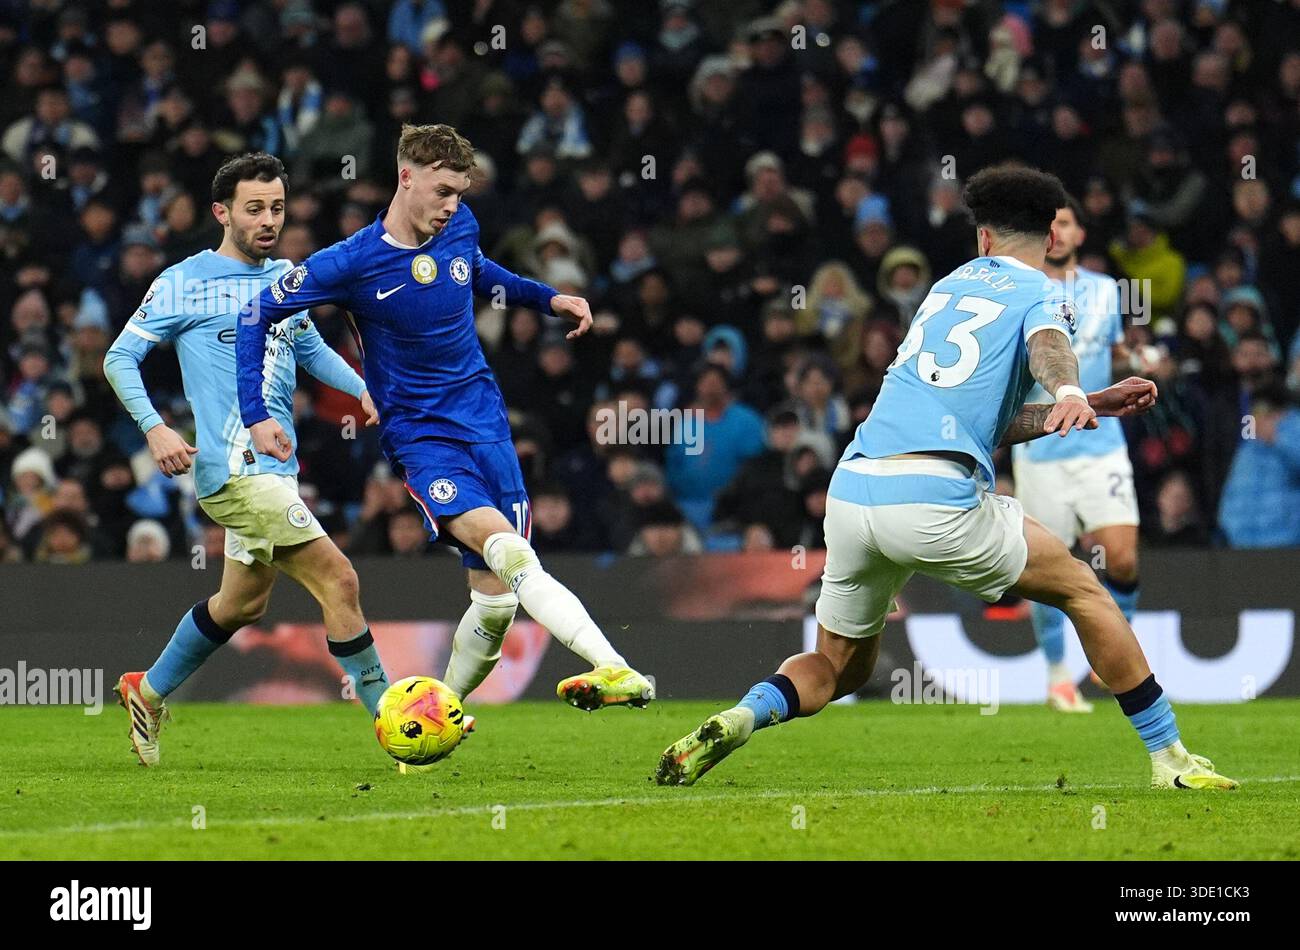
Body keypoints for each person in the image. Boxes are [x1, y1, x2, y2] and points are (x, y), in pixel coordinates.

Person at [656, 164, 1236, 792]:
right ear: (1049, 235)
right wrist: (1069, 386)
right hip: (936, 498)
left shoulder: (945, 289)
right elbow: (1049, 346)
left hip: (854, 490)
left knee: (837, 666)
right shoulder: (1043, 292)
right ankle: (1170, 758)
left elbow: (978, 418)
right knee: (1084, 592)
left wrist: (1088, 401)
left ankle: (743, 716)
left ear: (983, 238)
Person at [235, 124, 652, 724]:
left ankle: (438, 714)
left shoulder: (459, 227)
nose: (452, 205)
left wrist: (548, 298)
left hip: (488, 424)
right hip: (423, 437)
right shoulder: (351, 262)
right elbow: (256, 313)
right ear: (408, 177)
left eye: (460, 192)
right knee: (509, 550)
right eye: (443, 191)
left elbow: (478, 273)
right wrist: (254, 415)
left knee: (496, 600)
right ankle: (612, 665)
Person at [104, 152, 391, 766]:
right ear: (221, 212)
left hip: (274, 470)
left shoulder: (286, 275)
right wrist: (156, 429)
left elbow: (309, 348)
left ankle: (146, 691)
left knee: (241, 604)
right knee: (339, 579)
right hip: (232, 471)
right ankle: (398, 726)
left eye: (277, 208)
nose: (268, 220)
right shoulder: (185, 279)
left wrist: (362, 387)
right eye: (254, 208)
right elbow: (118, 358)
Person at [1012, 197, 1147, 712]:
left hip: (1102, 444)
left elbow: (1109, 353)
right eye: (1049, 226)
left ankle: (1114, 652)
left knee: (1124, 557)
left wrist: (1136, 359)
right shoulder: (1025, 289)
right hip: (1043, 446)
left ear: (1080, 234)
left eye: (1065, 224)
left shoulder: (1108, 291)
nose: (1057, 233)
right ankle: (1057, 675)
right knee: (1049, 570)